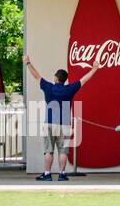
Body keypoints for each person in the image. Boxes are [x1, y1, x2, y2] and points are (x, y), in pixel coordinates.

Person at [24, 54, 100, 182]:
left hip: (49, 123)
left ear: (55, 78)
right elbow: (83, 80)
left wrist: (27, 63)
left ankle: (47, 174)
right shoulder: (69, 89)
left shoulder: (48, 87)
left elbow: (36, 75)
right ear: (65, 80)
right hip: (64, 124)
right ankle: (61, 174)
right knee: (63, 151)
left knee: (48, 150)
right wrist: (93, 69)